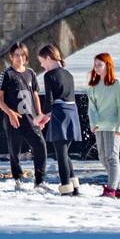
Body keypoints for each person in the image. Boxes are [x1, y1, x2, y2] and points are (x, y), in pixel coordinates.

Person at [0, 42, 48, 192]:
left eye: (22, 55)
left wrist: (39, 114)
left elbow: (35, 95)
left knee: (40, 146)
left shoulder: (30, 73)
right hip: (14, 119)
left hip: (31, 118)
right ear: (11, 57)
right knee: (14, 151)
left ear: (26, 57)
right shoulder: (7, 74)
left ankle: (40, 180)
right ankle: (18, 179)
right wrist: (10, 113)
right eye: (16, 55)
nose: (19, 58)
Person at [36, 45, 81, 196]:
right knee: (64, 152)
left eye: (42, 61)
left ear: (49, 58)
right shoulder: (69, 74)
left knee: (60, 154)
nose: (42, 65)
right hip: (72, 113)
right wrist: (46, 118)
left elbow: (49, 101)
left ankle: (66, 188)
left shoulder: (49, 75)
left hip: (60, 114)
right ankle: (74, 186)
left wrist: (42, 117)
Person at [87, 52, 120, 199]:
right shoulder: (93, 86)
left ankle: (110, 190)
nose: (96, 68)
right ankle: (117, 189)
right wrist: (93, 123)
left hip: (113, 127)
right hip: (100, 127)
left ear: (107, 65)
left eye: (99, 65)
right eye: (95, 65)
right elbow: (91, 107)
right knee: (103, 157)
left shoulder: (117, 84)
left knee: (112, 157)